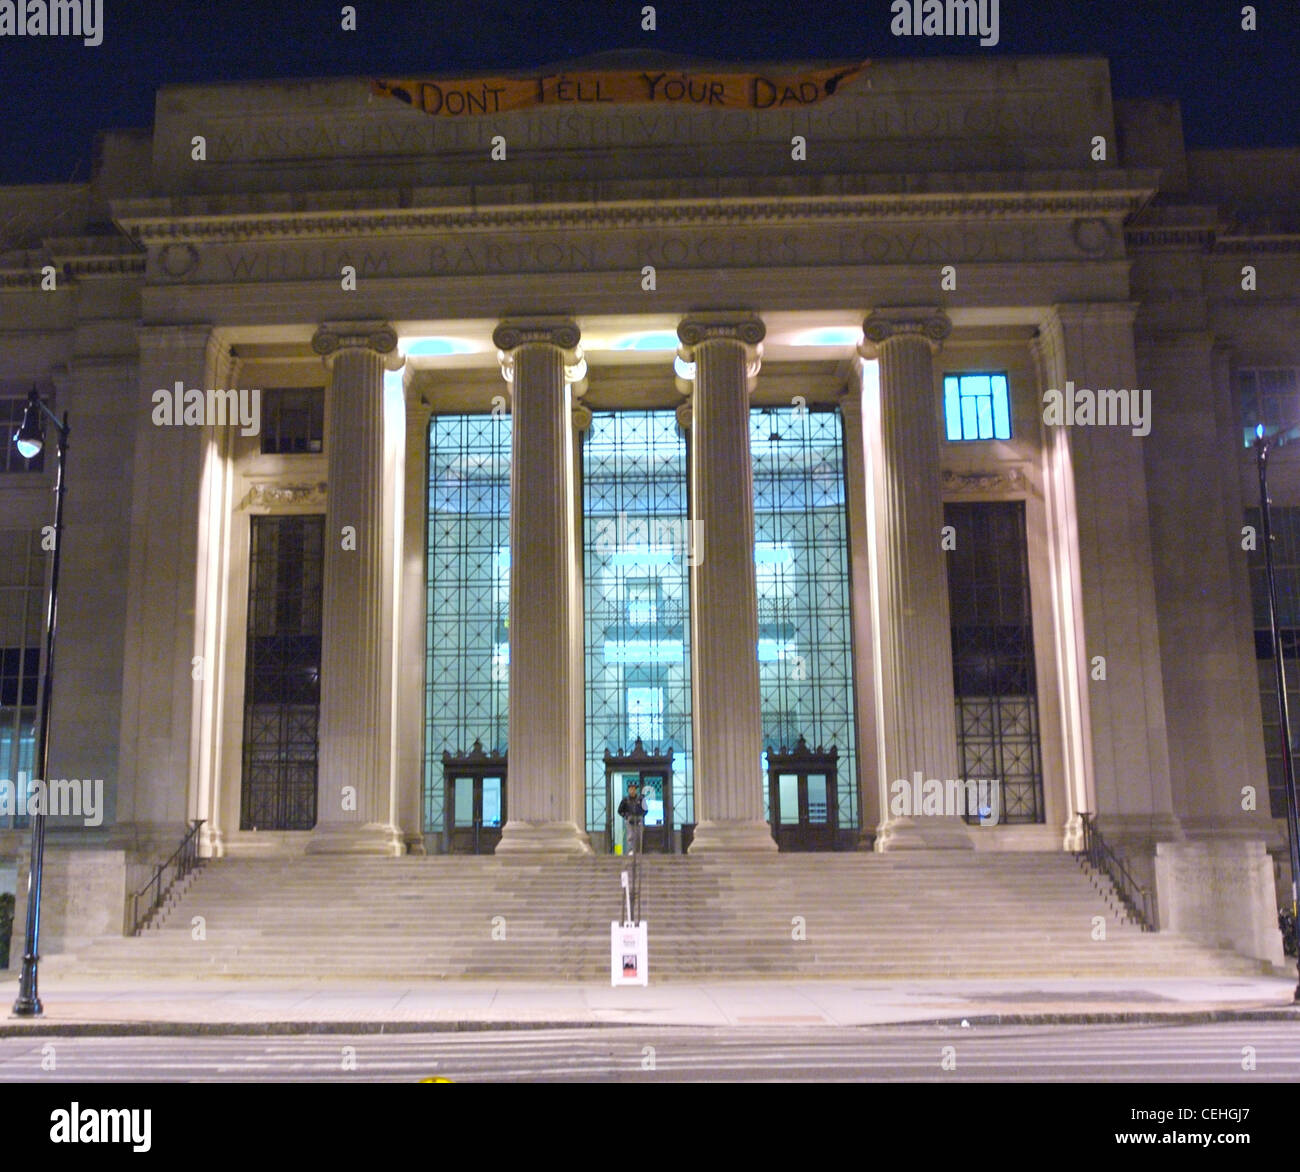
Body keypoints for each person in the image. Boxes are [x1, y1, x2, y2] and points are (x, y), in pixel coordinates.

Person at [617, 783, 645, 856]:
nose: (632, 791)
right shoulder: (625, 800)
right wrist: (625, 816)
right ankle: (631, 850)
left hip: (639, 818)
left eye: (634, 789)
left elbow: (645, 809)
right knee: (630, 836)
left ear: (636, 790)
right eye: (631, 789)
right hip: (630, 819)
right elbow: (619, 810)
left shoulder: (640, 799)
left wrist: (642, 815)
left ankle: (639, 851)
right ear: (628, 790)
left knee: (639, 835)